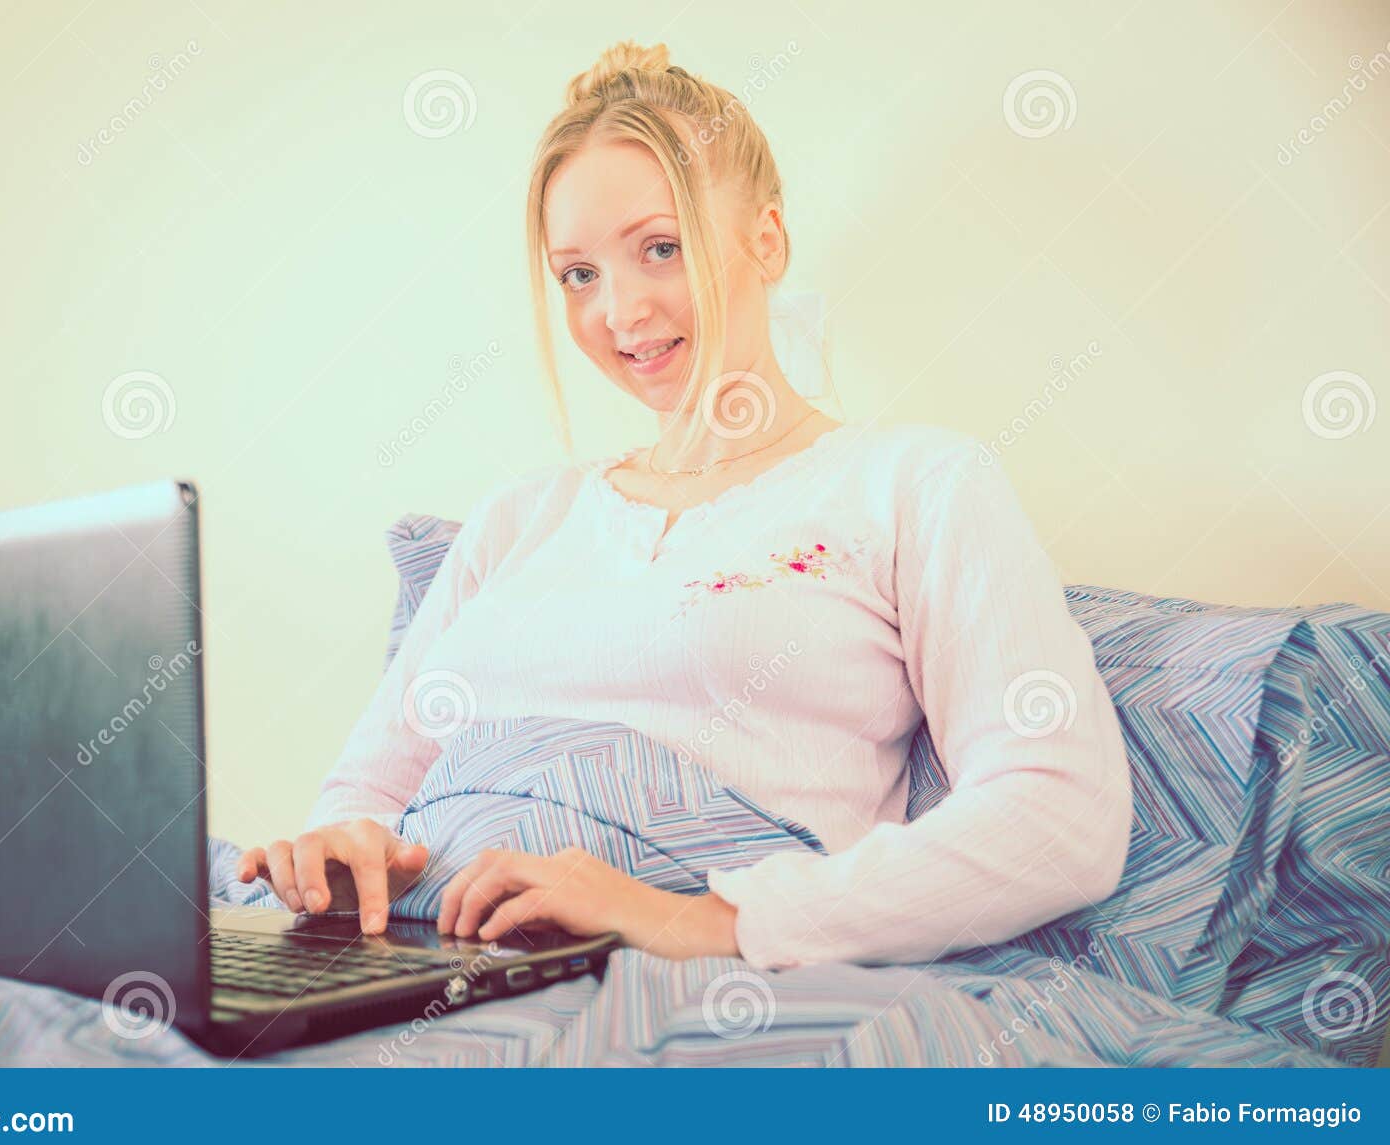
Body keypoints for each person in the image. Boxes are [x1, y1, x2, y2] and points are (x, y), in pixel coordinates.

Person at [237, 40, 1132, 972]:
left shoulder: (913, 485)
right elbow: (364, 798)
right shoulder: (518, 520)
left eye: (659, 249)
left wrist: (695, 919)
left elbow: (1060, 809)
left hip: (676, 984)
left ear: (768, 241)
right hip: (418, 958)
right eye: (578, 274)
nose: (618, 313)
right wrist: (339, 853)